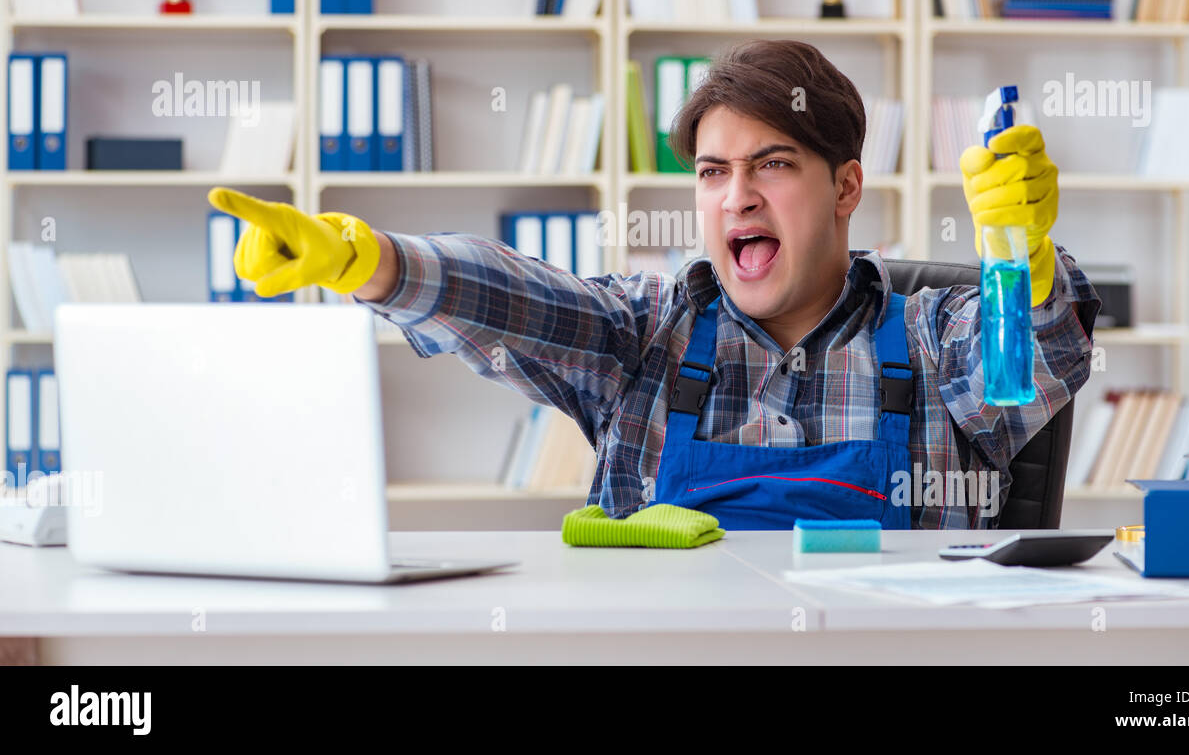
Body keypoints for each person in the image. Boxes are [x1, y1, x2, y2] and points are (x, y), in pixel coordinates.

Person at [209, 39, 1099, 529]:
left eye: (772, 164)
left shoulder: (937, 336)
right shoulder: (646, 336)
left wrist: (1020, 253)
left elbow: (1026, 360)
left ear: (846, 187)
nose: (737, 195)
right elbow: (515, 297)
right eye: (713, 173)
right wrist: (365, 260)